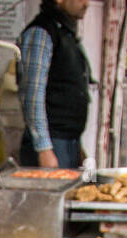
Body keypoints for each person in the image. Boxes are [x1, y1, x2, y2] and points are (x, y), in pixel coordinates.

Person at [16, 0, 92, 169]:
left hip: (66, 142)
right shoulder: (41, 32)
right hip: (50, 144)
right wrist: (44, 149)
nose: (87, 3)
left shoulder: (66, 33)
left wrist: (76, 145)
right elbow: (32, 94)